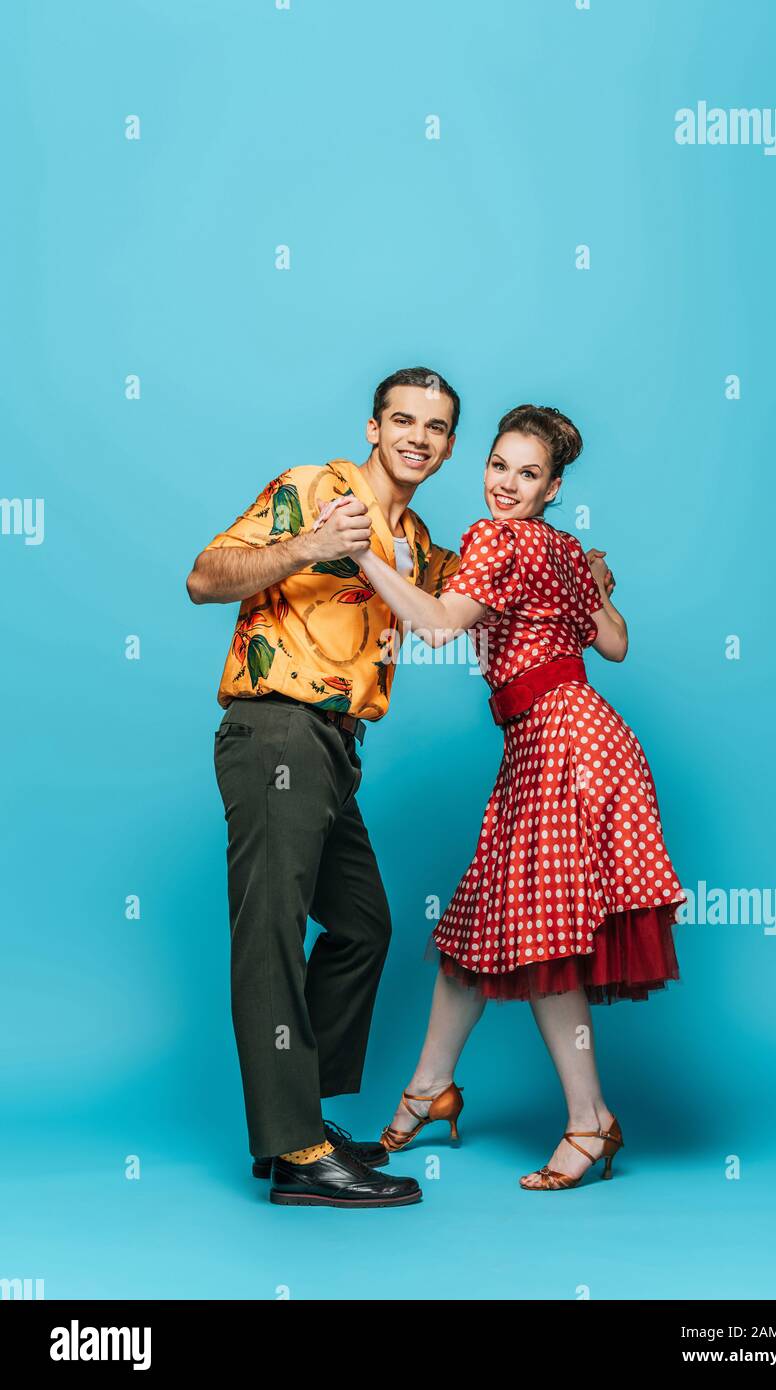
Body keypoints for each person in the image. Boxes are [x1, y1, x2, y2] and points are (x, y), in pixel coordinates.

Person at [348, 403, 687, 1191]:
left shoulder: (496, 539)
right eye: (498, 465)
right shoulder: (562, 548)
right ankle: (429, 1090)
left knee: (544, 935)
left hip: (564, 746)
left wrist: (362, 557)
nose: (505, 483)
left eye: (526, 474)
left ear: (552, 484)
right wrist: (594, 580)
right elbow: (615, 641)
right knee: (478, 928)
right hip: (559, 742)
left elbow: (433, 627)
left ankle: (590, 1122)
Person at [185, 366, 468, 1208]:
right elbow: (205, 576)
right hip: (275, 727)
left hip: (337, 748)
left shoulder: (416, 541)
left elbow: (475, 601)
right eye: (403, 419)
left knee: (364, 926)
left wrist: (579, 571)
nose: (419, 436)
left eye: (438, 426)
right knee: (270, 928)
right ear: (373, 427)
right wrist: (310, 546)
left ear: (450, 445)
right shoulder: (315, 488)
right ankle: (296, 1150)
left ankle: (297, 1117)